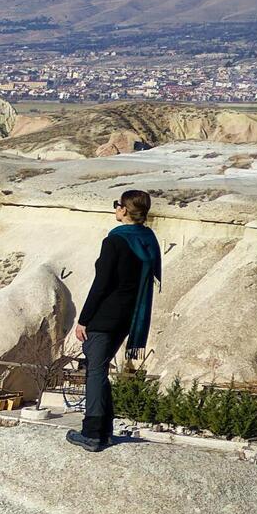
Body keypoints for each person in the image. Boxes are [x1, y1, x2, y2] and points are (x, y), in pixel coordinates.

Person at [68, 191, 163, 452]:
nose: (116, 209)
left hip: (104, 316)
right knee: (99, 370)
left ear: (124, 210)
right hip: (128, 317)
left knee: (95, 372)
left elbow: (102, 284)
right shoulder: (147, 240)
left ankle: (93, 434)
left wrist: (83, 319)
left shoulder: (116, 240)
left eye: (117, 205)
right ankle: (105, 431)